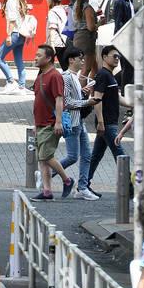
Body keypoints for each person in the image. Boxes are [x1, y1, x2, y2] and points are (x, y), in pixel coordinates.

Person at [30, 43, 74, 201]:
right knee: (42, 159)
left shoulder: (55, 76)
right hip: (41, 123)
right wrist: (35, 124)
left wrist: (58, 122)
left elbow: (59, 99)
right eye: (36, 55)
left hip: (50, 123)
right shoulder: (40, 75)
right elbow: (38, 101)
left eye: (39, 55)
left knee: (47, 156)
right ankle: (47, 191)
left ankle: (67, 180)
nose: (35, 58)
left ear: (49, 58)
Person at [86, 44, 124, 196]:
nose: (117, 59)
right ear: (104, 57)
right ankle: (132, 190)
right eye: (114, 56)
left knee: (95, 156)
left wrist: (136, 103)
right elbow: (97, 99)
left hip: (109, 123)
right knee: (121, 157)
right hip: (107, 124)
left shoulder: (110, 76)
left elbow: (118, 98)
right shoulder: (103, 75)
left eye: (119, 57)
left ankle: (83, 184)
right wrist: (100, 122)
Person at [59, 46, 97, 200]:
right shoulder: (66, 77)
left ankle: (82, 187)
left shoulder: (76, 76)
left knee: (87, 155)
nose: (83, 61)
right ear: (71, 60)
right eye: (80, 58)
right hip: (71, 122)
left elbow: (74, 97)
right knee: (73, 156)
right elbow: (66, 102)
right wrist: (87, 102)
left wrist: (83, 93)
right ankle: (46, 174)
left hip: (79, 121)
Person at [0, 0, 30, 94]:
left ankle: (11, 82)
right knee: (19, 60)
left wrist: (8, 35)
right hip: (21, 35)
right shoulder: (20, 1)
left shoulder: (10, 1)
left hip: (14, 34)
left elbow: (12, 20)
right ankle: (21, 87)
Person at [112, 0, 138, 89]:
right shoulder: (120, 2)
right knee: (127, 68)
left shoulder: (129, 0)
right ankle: (125, 92)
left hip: (131, 37)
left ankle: (127, 91)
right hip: (124, 39)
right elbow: (118, 22)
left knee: (130, 67)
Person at [71, 0, 98, 78]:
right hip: (87, 38)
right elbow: (91, 27)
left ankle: (92, 89)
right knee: (86, 69)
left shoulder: (76, 5)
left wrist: (95, 14)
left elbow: (81, 20)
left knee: (95, 68)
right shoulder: (87, 7)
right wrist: (100, 23)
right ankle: (81, 92)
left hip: (78, 37)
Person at [44, 0, 70, 69]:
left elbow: (53, 28)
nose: (46, 0)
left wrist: (51, 43)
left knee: (44, 67)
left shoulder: (52, 12)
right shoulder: (61, 9)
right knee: (65, 67)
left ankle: (39, 81)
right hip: (63, 42)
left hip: (56, 44)